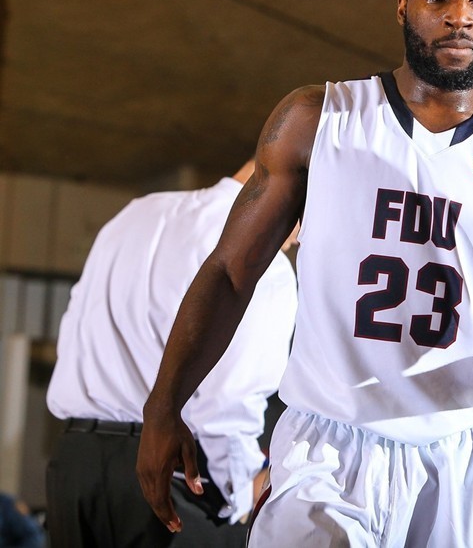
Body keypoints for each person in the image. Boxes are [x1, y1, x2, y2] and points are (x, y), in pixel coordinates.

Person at [136, 0, 473, 548]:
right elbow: (231, 272)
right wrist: (164, 405)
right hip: (329, 444)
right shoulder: (317, 118)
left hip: (459, 451)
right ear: (403, 5)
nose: (459, 16)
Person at [45, 161, 298, 548]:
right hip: (169, 474)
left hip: (75, 467)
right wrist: (238, 497)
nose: (299, 239)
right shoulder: (257, 260)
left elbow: (75, 327)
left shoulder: (135, 213)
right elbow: (228, 400)